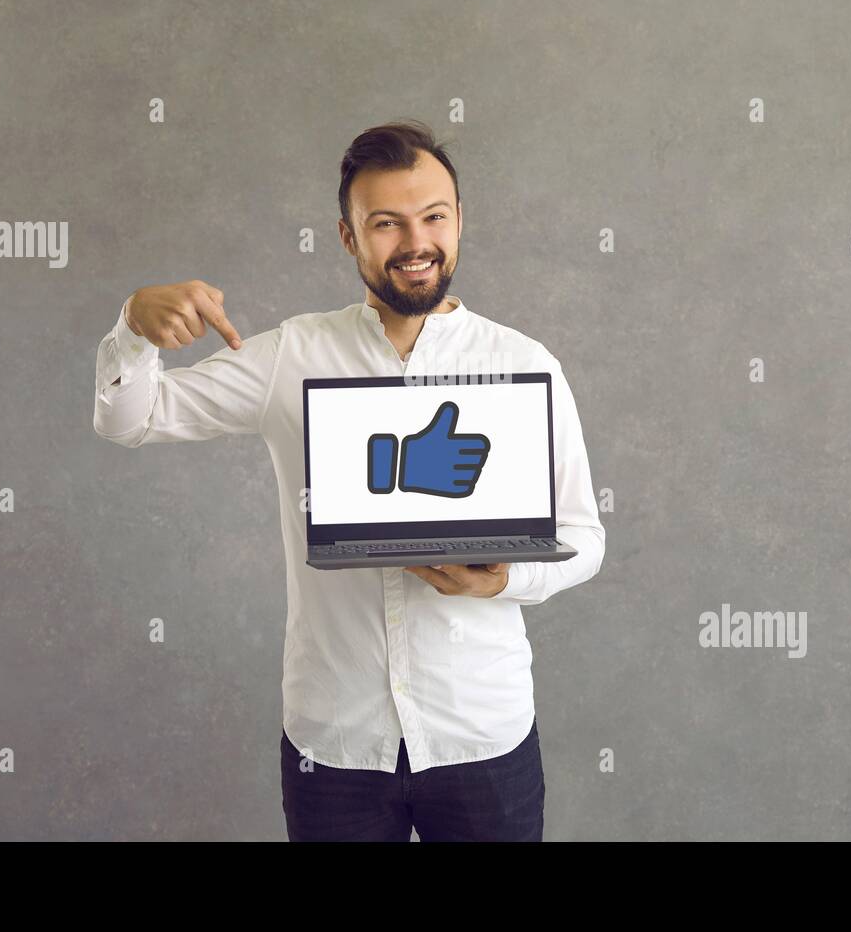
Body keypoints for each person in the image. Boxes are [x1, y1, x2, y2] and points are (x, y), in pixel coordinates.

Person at [92, 119, 605, 841]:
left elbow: (584, 536)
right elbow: (131, 418)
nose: (416, 242)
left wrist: (502, 580)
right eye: (386, 224)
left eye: (433, 217)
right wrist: (133, 330)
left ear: (460, 222)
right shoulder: (291, 357)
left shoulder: (526, 363)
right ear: (347, 237)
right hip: (333, 746)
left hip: (482, 735)